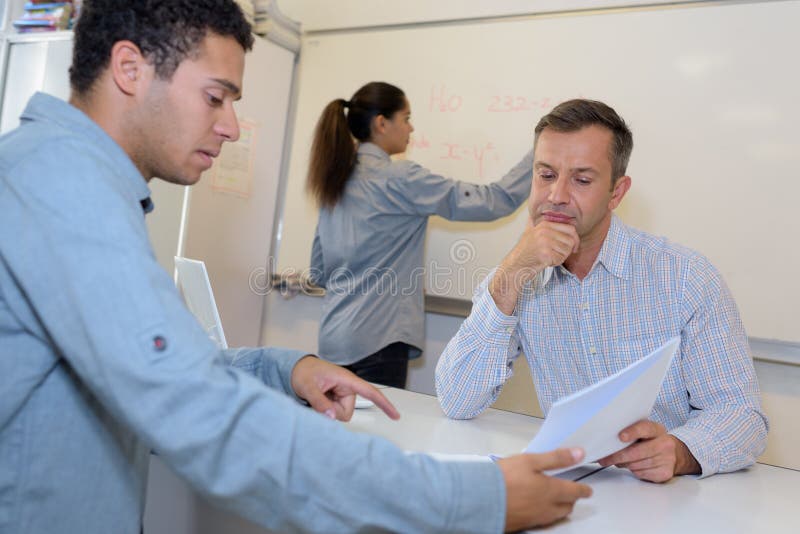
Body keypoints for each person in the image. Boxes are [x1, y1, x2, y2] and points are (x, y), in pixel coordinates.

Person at [0, 1, 592, 532]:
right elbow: (204, 413)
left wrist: (286, 368)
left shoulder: (60, 179)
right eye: (216, 97)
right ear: (129, 69)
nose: (232, 126)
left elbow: (161, 371)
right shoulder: (61, 192)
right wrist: (472, 497)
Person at [435, 99, 768, 483]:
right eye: (546, 175)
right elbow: (457, 401)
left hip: (671, 496)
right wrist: (510, 275)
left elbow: (742, 416)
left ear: (616, 193)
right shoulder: (517, 276)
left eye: (581, 180)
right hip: (572, 490)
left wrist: (679, 452)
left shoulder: (684, 277)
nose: (556, 195)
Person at [307, 81, 533, 388]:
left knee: (338, 421)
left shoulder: (334, 180)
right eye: (406, 118)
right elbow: (494, 201)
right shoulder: (400, 178)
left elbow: (319, 272)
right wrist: (541, 153)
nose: (411, 128)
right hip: (378, 343)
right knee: (379, 421)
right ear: (381, 123)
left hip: (332, 341)